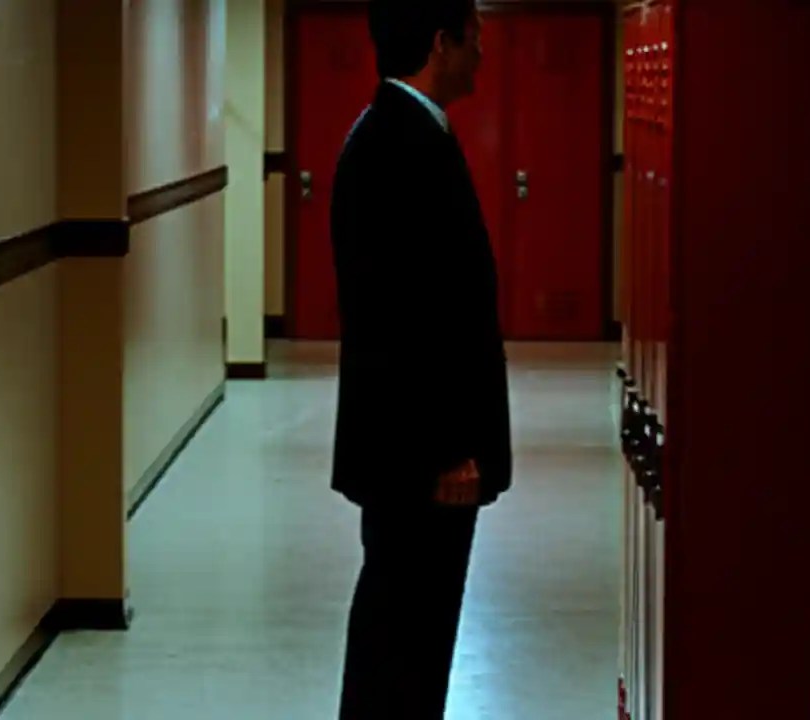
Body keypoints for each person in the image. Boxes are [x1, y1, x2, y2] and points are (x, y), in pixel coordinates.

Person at [329, 0, 512, 717]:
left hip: (411, 455)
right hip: (420, 462)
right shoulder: (397, 147)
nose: (481, 55)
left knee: (407, 632)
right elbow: (404, 320)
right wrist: (447, 450)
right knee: (405, 634)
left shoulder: (400, 133)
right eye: (474, 39)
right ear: (441, 44)